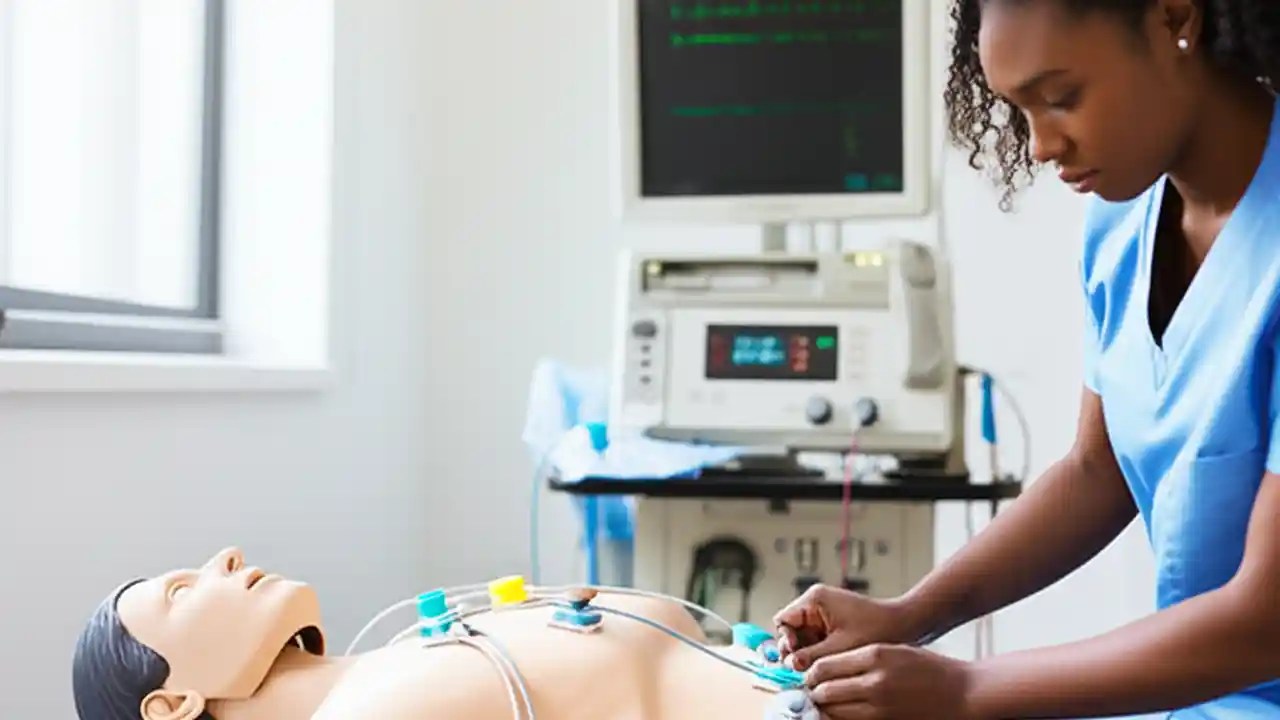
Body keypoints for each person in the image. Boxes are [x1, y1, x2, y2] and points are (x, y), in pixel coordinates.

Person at [772, 1, 1280, 719]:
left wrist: (964, 689)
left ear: (1174, 19)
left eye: (1061, 97)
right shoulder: (1122, 221)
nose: (1039, 146)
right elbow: (1095, 472)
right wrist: (908, 616)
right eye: (1018, 108)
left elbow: (1265, 624)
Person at [71, 546, 801, 720]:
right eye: (183, 590)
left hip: (831, 671)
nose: (223, 559)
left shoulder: (395, 656)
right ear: (172, 707)